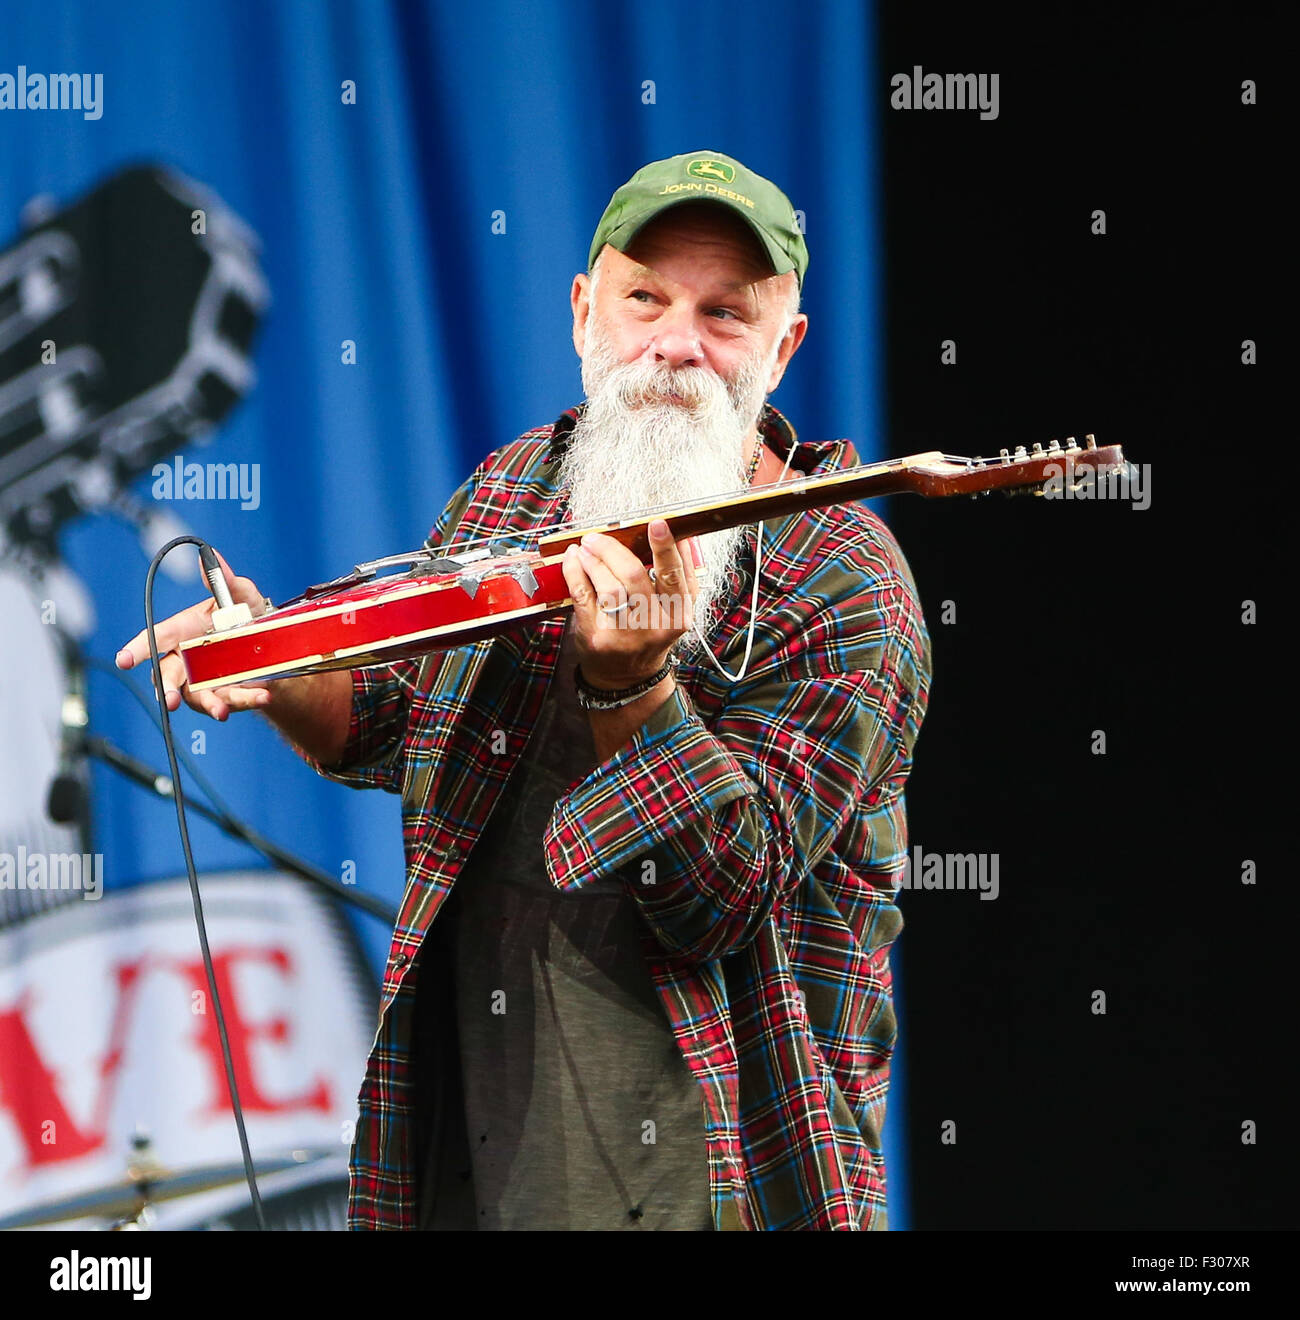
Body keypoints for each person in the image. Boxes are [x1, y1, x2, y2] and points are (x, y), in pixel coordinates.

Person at [117, 150, 932, 1231]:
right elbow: (397, 719)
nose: (676, 344)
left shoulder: (842, 574)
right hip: (466, 1156)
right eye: (644, 297)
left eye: (725, 313)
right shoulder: (514, 489)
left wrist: (633, 689)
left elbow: (720, 902)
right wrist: (281, 672)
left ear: (782, 349)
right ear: (583, 313)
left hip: (723, 1184)